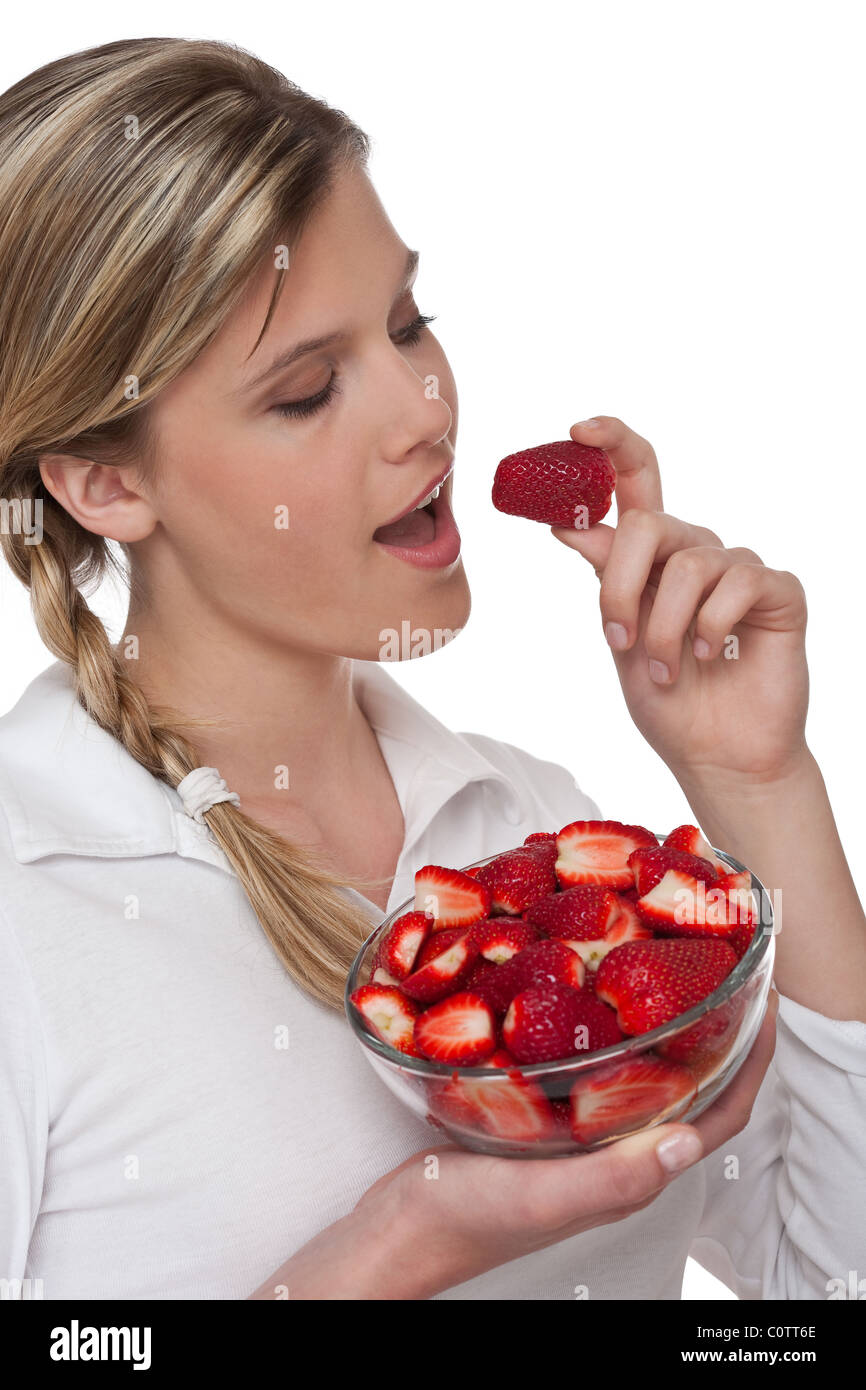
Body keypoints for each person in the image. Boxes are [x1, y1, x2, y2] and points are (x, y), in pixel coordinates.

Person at [0, 36, 863, 1303]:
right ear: (106, 484)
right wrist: (394, 1251)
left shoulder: (541, 841)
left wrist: (761, 785)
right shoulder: (30, 912)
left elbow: (820, 1293)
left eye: (409, 324)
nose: (422, 409)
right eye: (306, 391)